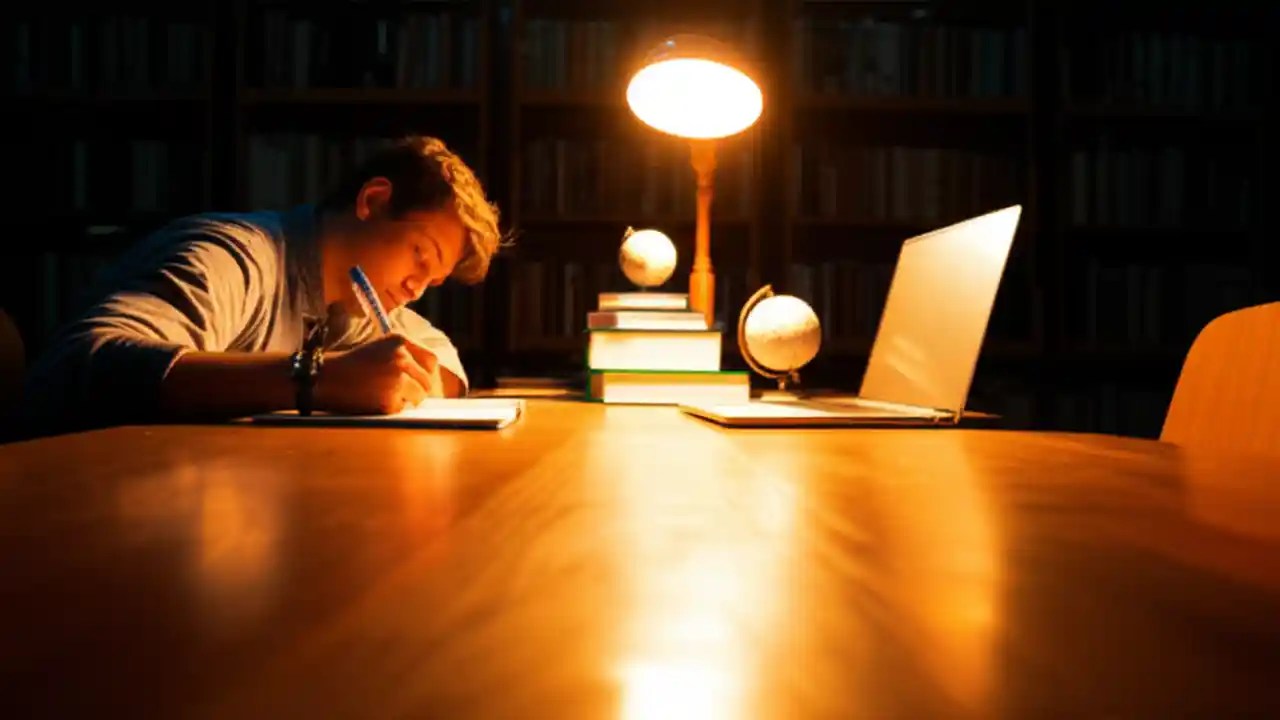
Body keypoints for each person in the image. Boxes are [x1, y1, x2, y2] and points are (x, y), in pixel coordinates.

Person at [10, 135, 504, 439]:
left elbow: (440, 353)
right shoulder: (234, 257)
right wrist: (318, 379)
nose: (418, 288)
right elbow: (83, 362)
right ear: (373, 201)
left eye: (433, 280)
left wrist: (416, 380)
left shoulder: (351, 305)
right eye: (421, 253)